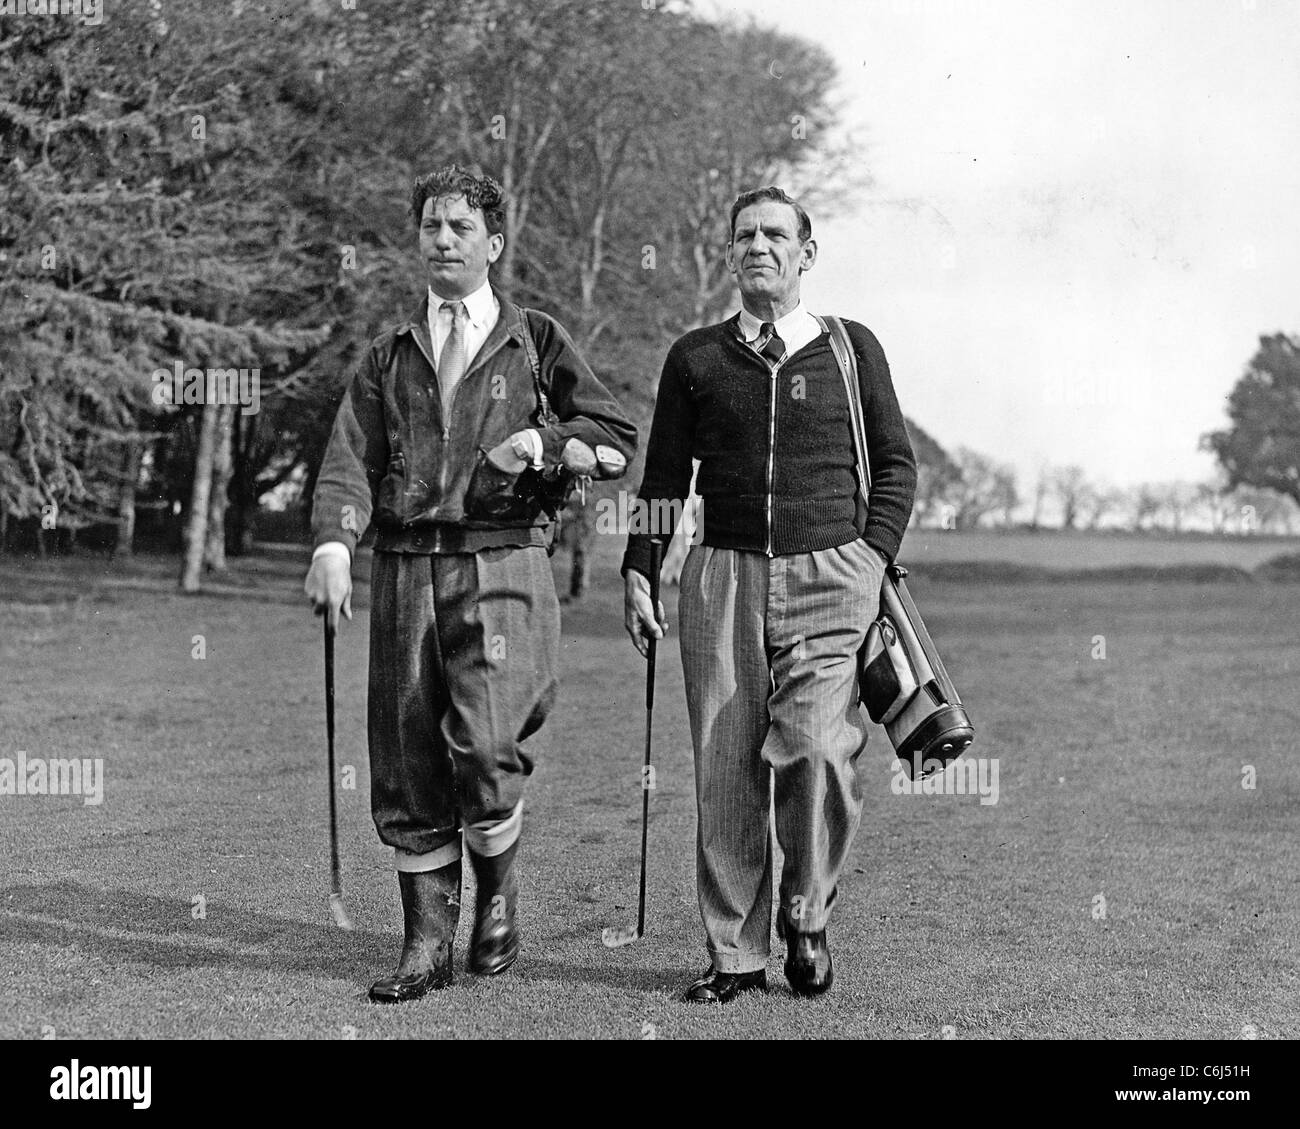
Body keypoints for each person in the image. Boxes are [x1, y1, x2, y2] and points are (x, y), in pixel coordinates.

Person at [306, 165, 636, 1004]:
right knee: (408, 754)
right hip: (408, 564)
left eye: (459, 227)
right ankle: (425, 944)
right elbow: (350, 461)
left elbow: (613, 433)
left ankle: (498, 891)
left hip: (505, 559)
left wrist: (549, 439)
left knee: (489, 744)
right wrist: (335, 547)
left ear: (493, 243)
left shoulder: (537, 339)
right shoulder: (388, 356)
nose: (443, 240)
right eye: (430, 227)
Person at [622, 186, 916, 1003]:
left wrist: (870, 556)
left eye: (776, 234)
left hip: (833, 577)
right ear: (728, 255)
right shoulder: (696, 358)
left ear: (806, 254)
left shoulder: (852, 350)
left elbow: (896, 465)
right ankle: (735, 954)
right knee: (725, 767)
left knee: (820, 748)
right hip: (720, 575)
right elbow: (662, 478)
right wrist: (641, 566)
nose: (759, 245)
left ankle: (806, 914)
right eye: (744, 234)